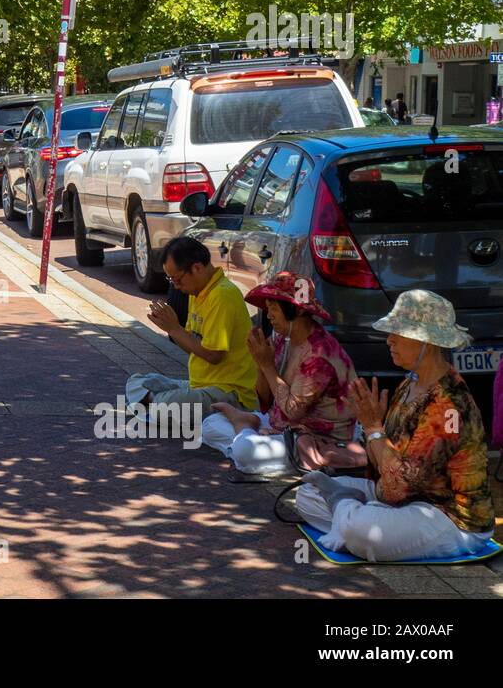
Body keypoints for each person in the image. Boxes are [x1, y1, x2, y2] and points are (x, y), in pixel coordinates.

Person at [296, 290, 496, 561]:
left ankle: (345, 510)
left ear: (426, 340)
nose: (389, 340)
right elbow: (385, 470)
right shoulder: (410, 384)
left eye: (398, 333)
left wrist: (373, 429)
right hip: (398, 499)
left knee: (365, 529)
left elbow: (396, 488)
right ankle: (349, 512)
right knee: (306, 494)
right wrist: (373, 434)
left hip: (447, 516)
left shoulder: (448, 405)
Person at [201, 272, 364, 474]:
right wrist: (260, 363)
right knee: (210, 425)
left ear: (296, 311)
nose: (269, 316)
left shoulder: (319, 355)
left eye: (274, 309)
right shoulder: (282, 337)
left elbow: (293, 410)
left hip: (317, 440)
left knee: (246, 450)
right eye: (268, 308)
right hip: (281, 425)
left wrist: (267, 366)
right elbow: (265, 401)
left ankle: (243, 434)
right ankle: (247, 435)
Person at [129, 237, 259, 412]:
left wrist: (174, 329)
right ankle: (150, 402)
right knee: (137, 382)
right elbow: (193, 345)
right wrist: (174, 330)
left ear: (197, 268)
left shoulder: (222, 295)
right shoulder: (197, 291)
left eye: (177, 279)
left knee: (164, 404)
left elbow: (214, 356)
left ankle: (152, 403)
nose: (176, 286)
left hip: (229, 393)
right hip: (199, 386)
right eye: (171, 281)